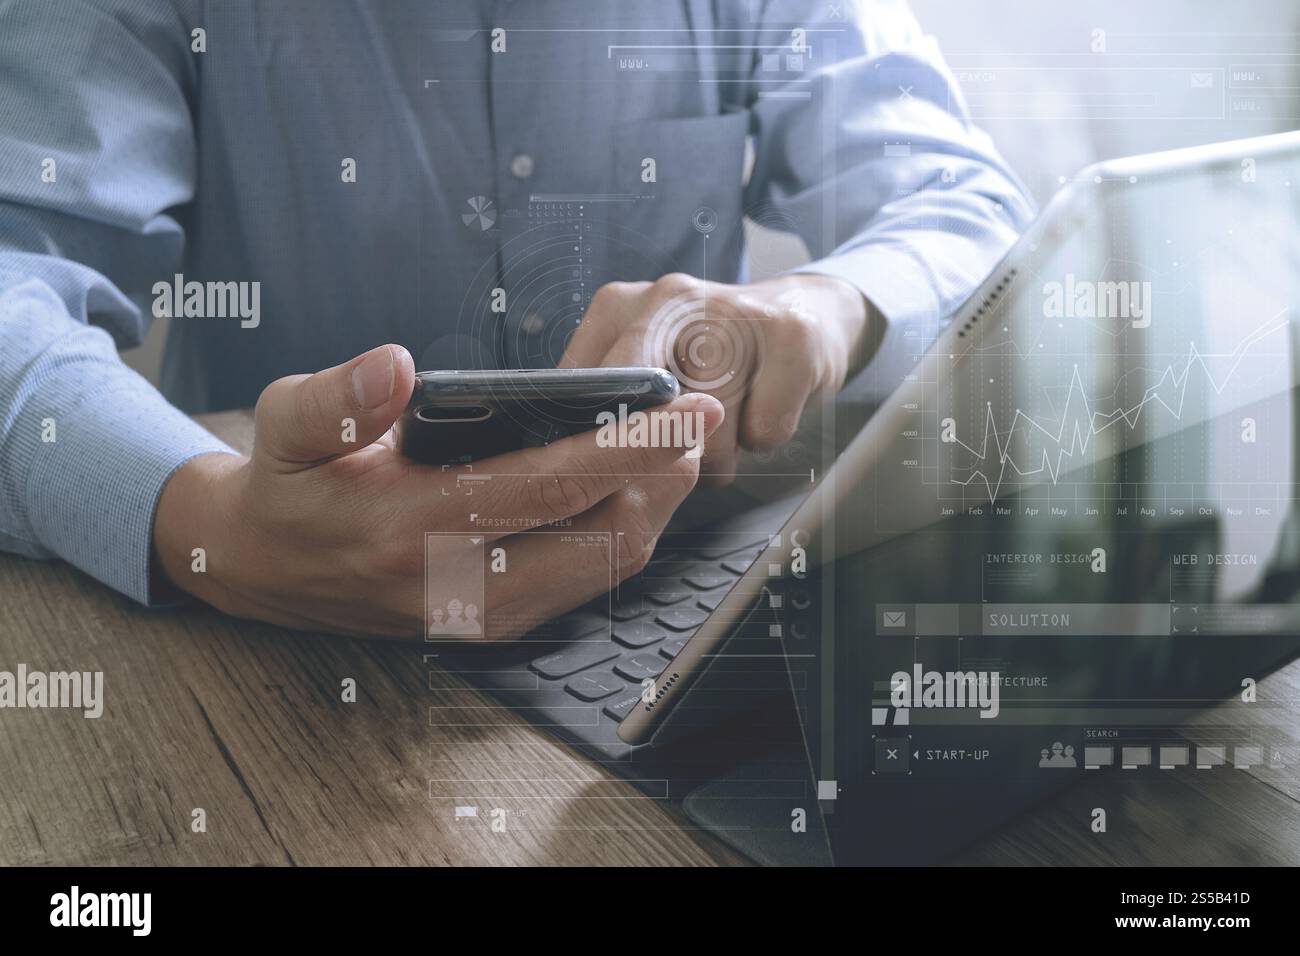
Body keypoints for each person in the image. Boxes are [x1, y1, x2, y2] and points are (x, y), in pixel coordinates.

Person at [0, 1, 1033, 639]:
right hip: (269, 641)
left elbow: (969, 208)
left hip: (671, 606)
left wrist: (821, 304)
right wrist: (204, 522)